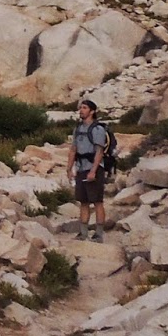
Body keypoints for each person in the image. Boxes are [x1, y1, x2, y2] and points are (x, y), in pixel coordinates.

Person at [73, 98, 110, 241]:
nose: (81, 110)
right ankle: (83, 233)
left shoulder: (97, 129)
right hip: (81, 168)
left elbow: (99, 152)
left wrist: (93, 171)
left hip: (94, 169)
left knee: (97, 201)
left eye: (84, 108)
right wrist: (69, 168)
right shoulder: (78, 129)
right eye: (81, 107)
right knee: (83, 201)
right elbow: (73, 149)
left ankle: (99, 233)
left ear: (92, 111)